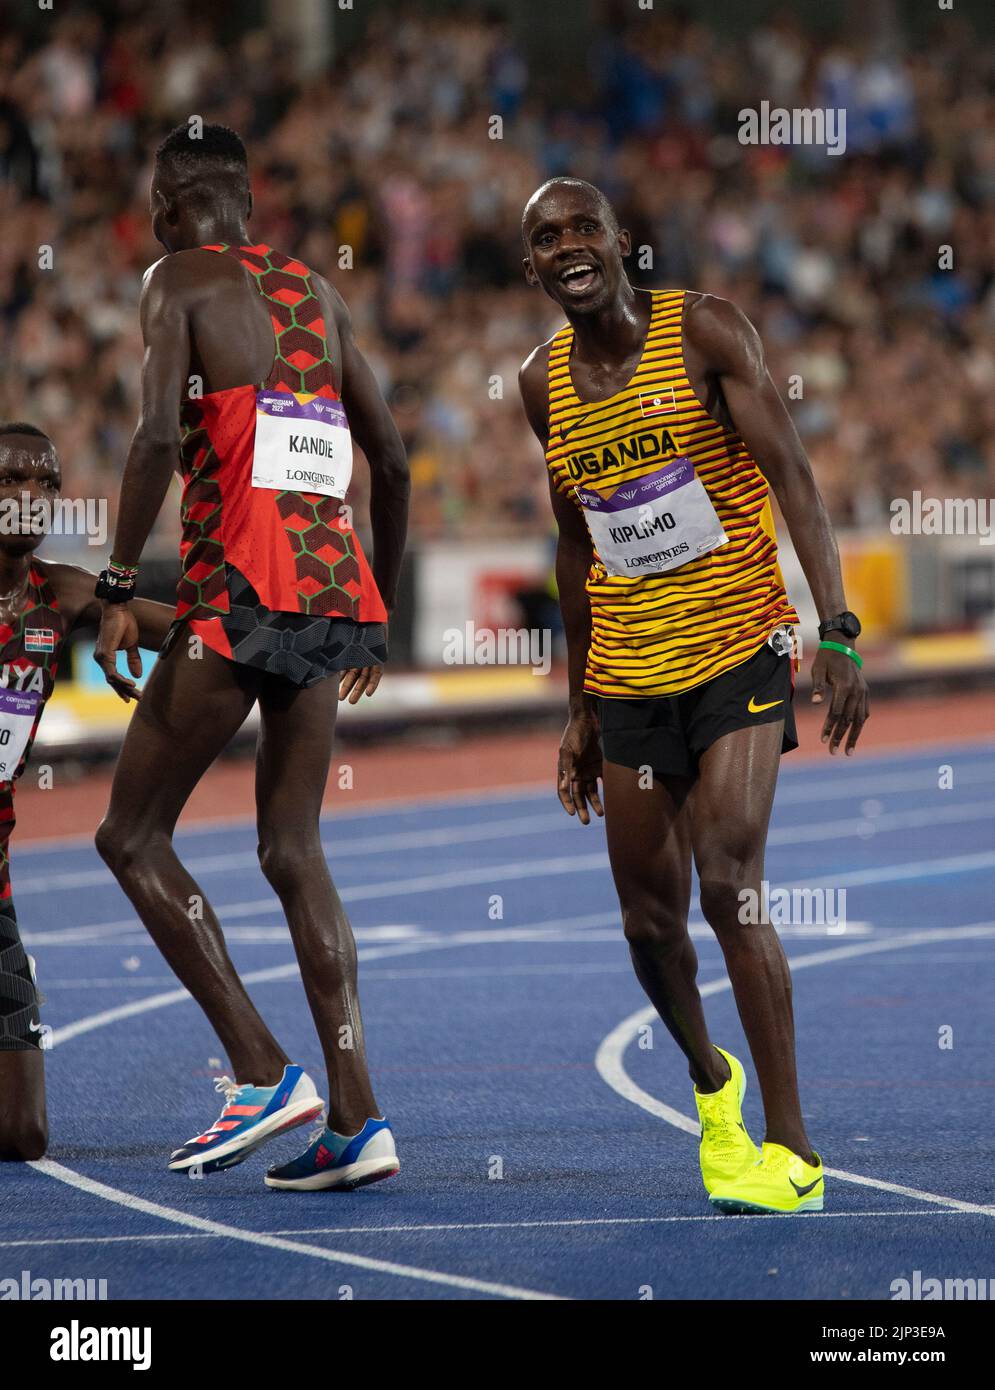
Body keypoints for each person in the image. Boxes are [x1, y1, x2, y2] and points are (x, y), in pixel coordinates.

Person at [518, 178, 869, 1215]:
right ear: (530, 265)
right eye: (547, 237)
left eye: (584, 227)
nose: (569, 246)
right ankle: (713, 1086)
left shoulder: (704, 331)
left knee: (728, 881)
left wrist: (835, 628)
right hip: (629, 674)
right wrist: (580, 709)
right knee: (646, 924)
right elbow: (576, 546)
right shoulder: (539, 384)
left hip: (736, 651)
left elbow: (792, 477)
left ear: (621, 240)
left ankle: (793, 1149)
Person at [93, 123, 410, 1192]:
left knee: (131, 834)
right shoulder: (317, 292)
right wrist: (376, 606)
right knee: (293, 850)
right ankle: (358, 1120)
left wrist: (113, 583)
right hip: (326, 593)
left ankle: (262, 1069)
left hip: (236, 588)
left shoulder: (176, 280)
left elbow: (152, 437)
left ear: (169, 204)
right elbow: (392, 459)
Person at [0, 422, 173, 1161]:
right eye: (11, 480)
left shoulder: (64, 593)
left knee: (23, 1136)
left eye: (45, 483)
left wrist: (293, 638)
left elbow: (187, 634)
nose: (29, 496)